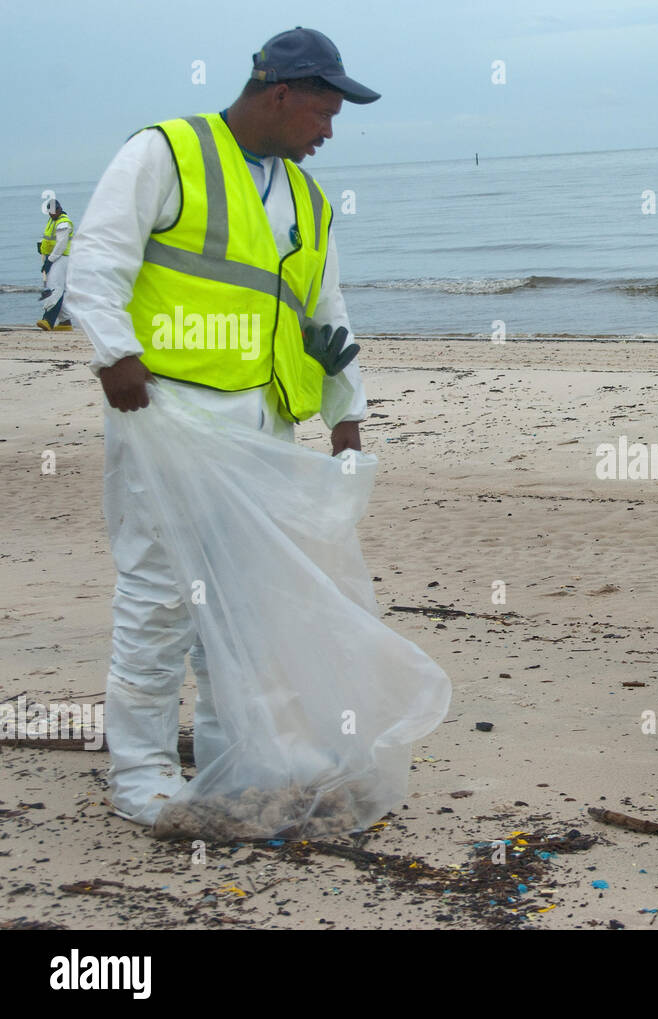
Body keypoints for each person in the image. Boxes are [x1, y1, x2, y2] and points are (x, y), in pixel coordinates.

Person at [66, 27, 380, 826]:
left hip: (264, 425)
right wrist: (114, 356)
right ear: (282, 93)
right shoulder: (166, 154)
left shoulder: (307, 199)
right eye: (324, 110)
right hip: (170, 416)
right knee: (161, 595)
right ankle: (141, 776)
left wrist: (348, 411)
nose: (329, 131)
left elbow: (325, 314)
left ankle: (226, 755)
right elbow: (97, 263)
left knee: (238, 603)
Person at [37, 198, 75, 330]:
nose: (52, 214)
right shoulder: (52, 220)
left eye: (54, 211)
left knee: (55, 288)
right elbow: (49, 239)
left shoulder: (63, 223)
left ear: (59, 209)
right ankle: (65, 322)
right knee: (54, 287)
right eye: (50, 212)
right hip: (53, 257)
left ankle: (48, 320)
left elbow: (61, 245)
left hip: (62, 258)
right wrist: (41, 248)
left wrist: (50, 260)